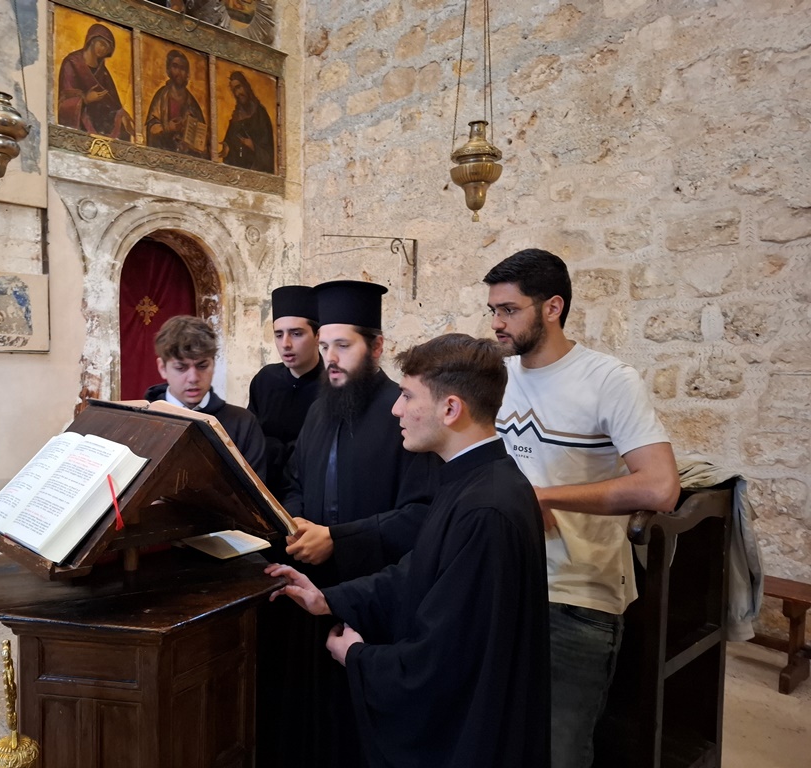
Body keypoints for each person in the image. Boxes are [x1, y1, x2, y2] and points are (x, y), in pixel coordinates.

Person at [266, 333, 550, 768]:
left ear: (450, 409)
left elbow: (444, 660)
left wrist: (358, 657)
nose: (396, 409)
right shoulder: (471, 482)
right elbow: (416, 573)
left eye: (406, 396)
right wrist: (330, 599)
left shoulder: (487, 508)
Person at [483, 248, 681, 768]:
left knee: (559, 748)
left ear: (552, 307)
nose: (497, 323)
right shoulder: (496, 378)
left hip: (573, 594)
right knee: (494, 736)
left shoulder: (608, 379)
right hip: (499, 580)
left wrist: (540, 497)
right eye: (493, 311)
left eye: (509, 310)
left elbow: (661, 488)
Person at [261, 280, 437, 768]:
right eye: (324, 346)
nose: (330, 358)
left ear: (376, 347)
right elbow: (296, 478)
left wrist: (336, 541)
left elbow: (422, 514)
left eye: (344, 345)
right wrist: (296, 520)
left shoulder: (404, 415)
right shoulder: (320, 410)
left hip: (379, 603)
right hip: (315, 591)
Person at [144, 314, 266, 479]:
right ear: (162, 368)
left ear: (214, 363)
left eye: (202, 366)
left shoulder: (243, 423)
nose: (193, 378)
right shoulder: (139, 420)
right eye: (181, 368)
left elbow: (254, 496)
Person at [247, 285, 323, 498]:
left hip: (308, 494)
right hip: (264, 489)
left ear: (318, 336)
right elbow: (251, 438)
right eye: (278, 335)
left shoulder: (333, 386)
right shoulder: (265, 379)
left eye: (296, 334)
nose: (285, 344)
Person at [56, 23, 135, 140]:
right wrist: (85, 99)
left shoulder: (103, 72)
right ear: (92, 40)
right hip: (81, 120)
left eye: (106, 48)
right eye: (102, 44)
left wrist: (121, 114)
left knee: (120, 120)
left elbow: (113, 102)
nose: (103, 49)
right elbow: (64, 99)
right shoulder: (72, 63)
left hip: (101, 120)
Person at [145, 49, 206, 156]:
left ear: (187, 73)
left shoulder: (192, 102)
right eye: (175, 67)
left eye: (183, 68)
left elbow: (203, 137)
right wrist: (168, 127)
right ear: (168, 70)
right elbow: (151, 127)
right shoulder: (161, 96)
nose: (179, 72)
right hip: (164, 153)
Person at [219, 70, 274, 173]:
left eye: (239, 87)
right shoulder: (236, 116)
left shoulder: (260, 114)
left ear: (246, 86)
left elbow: (269, 154)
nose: (237, 93)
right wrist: (227, 148)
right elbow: (230, 141)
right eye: (233, 90)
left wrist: (253, 146)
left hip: (255, 172)